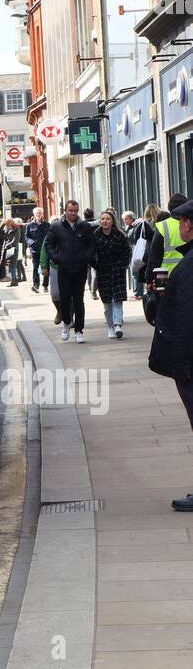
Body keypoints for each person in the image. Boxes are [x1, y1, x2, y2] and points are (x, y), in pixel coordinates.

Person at [147, 198, 193, 511]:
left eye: (184, 222)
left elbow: (187, 317)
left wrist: (182, 365)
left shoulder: (190, 266)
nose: (180, 227)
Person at [44, 200, 96, 343]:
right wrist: (56, 258)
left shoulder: (84, 227)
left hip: (80, 269)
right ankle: (66, 324)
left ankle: (79, 330)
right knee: (65, 299)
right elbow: (48, 245)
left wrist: (87, 257)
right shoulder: (56, 226)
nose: (73, 213)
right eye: (70, 211)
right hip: (64, 269)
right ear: (65, 210)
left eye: (75, 211)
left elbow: (92, 244)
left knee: (79, 300)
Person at [91, 209, 132, 339]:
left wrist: (122, 265)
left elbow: (127, 252)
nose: (105, 221)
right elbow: (91, 254)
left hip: (118, 271)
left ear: (113, 221)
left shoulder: (120, 235)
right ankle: (110, 327)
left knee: (118, 300)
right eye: (102, 219)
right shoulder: (95, 236)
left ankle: (118, 325)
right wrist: (96, 265)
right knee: (107, 303)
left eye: (108, 219)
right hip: (103, 272)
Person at [144, 193, 189, 284]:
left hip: (165, 278)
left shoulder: (163, 226)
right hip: (188, 274)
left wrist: (149, 279)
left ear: (169, 208)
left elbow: (154, 257)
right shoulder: (189, 224)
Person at [25, 207, 51, 293]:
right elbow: (26, 237)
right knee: (35, 268)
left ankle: (45, 285)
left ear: (42, 214)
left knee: (45, 267)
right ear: (34, 215)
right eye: (37, 213)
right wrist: (31, 243)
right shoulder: (29, 225)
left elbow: (51, 236)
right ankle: (36, 285)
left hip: (45, 250)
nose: (38, 214)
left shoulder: (47, 225)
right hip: (35, 250)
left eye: (40, 213)